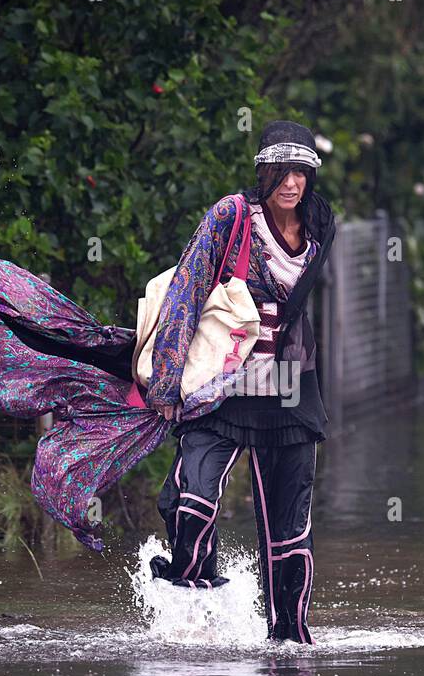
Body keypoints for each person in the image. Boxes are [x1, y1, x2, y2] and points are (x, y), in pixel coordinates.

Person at [145, 120, 338, 644]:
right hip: (222, 388)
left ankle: (290, 640)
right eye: (281, 171)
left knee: (290, 529)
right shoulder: (231, 217)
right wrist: (165, 385)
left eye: (301, 171)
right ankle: (191, 582)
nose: (291, 183)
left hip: (291, 390)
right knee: (195, 502)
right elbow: (185, 293)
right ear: (263, 172)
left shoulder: (321, 224)